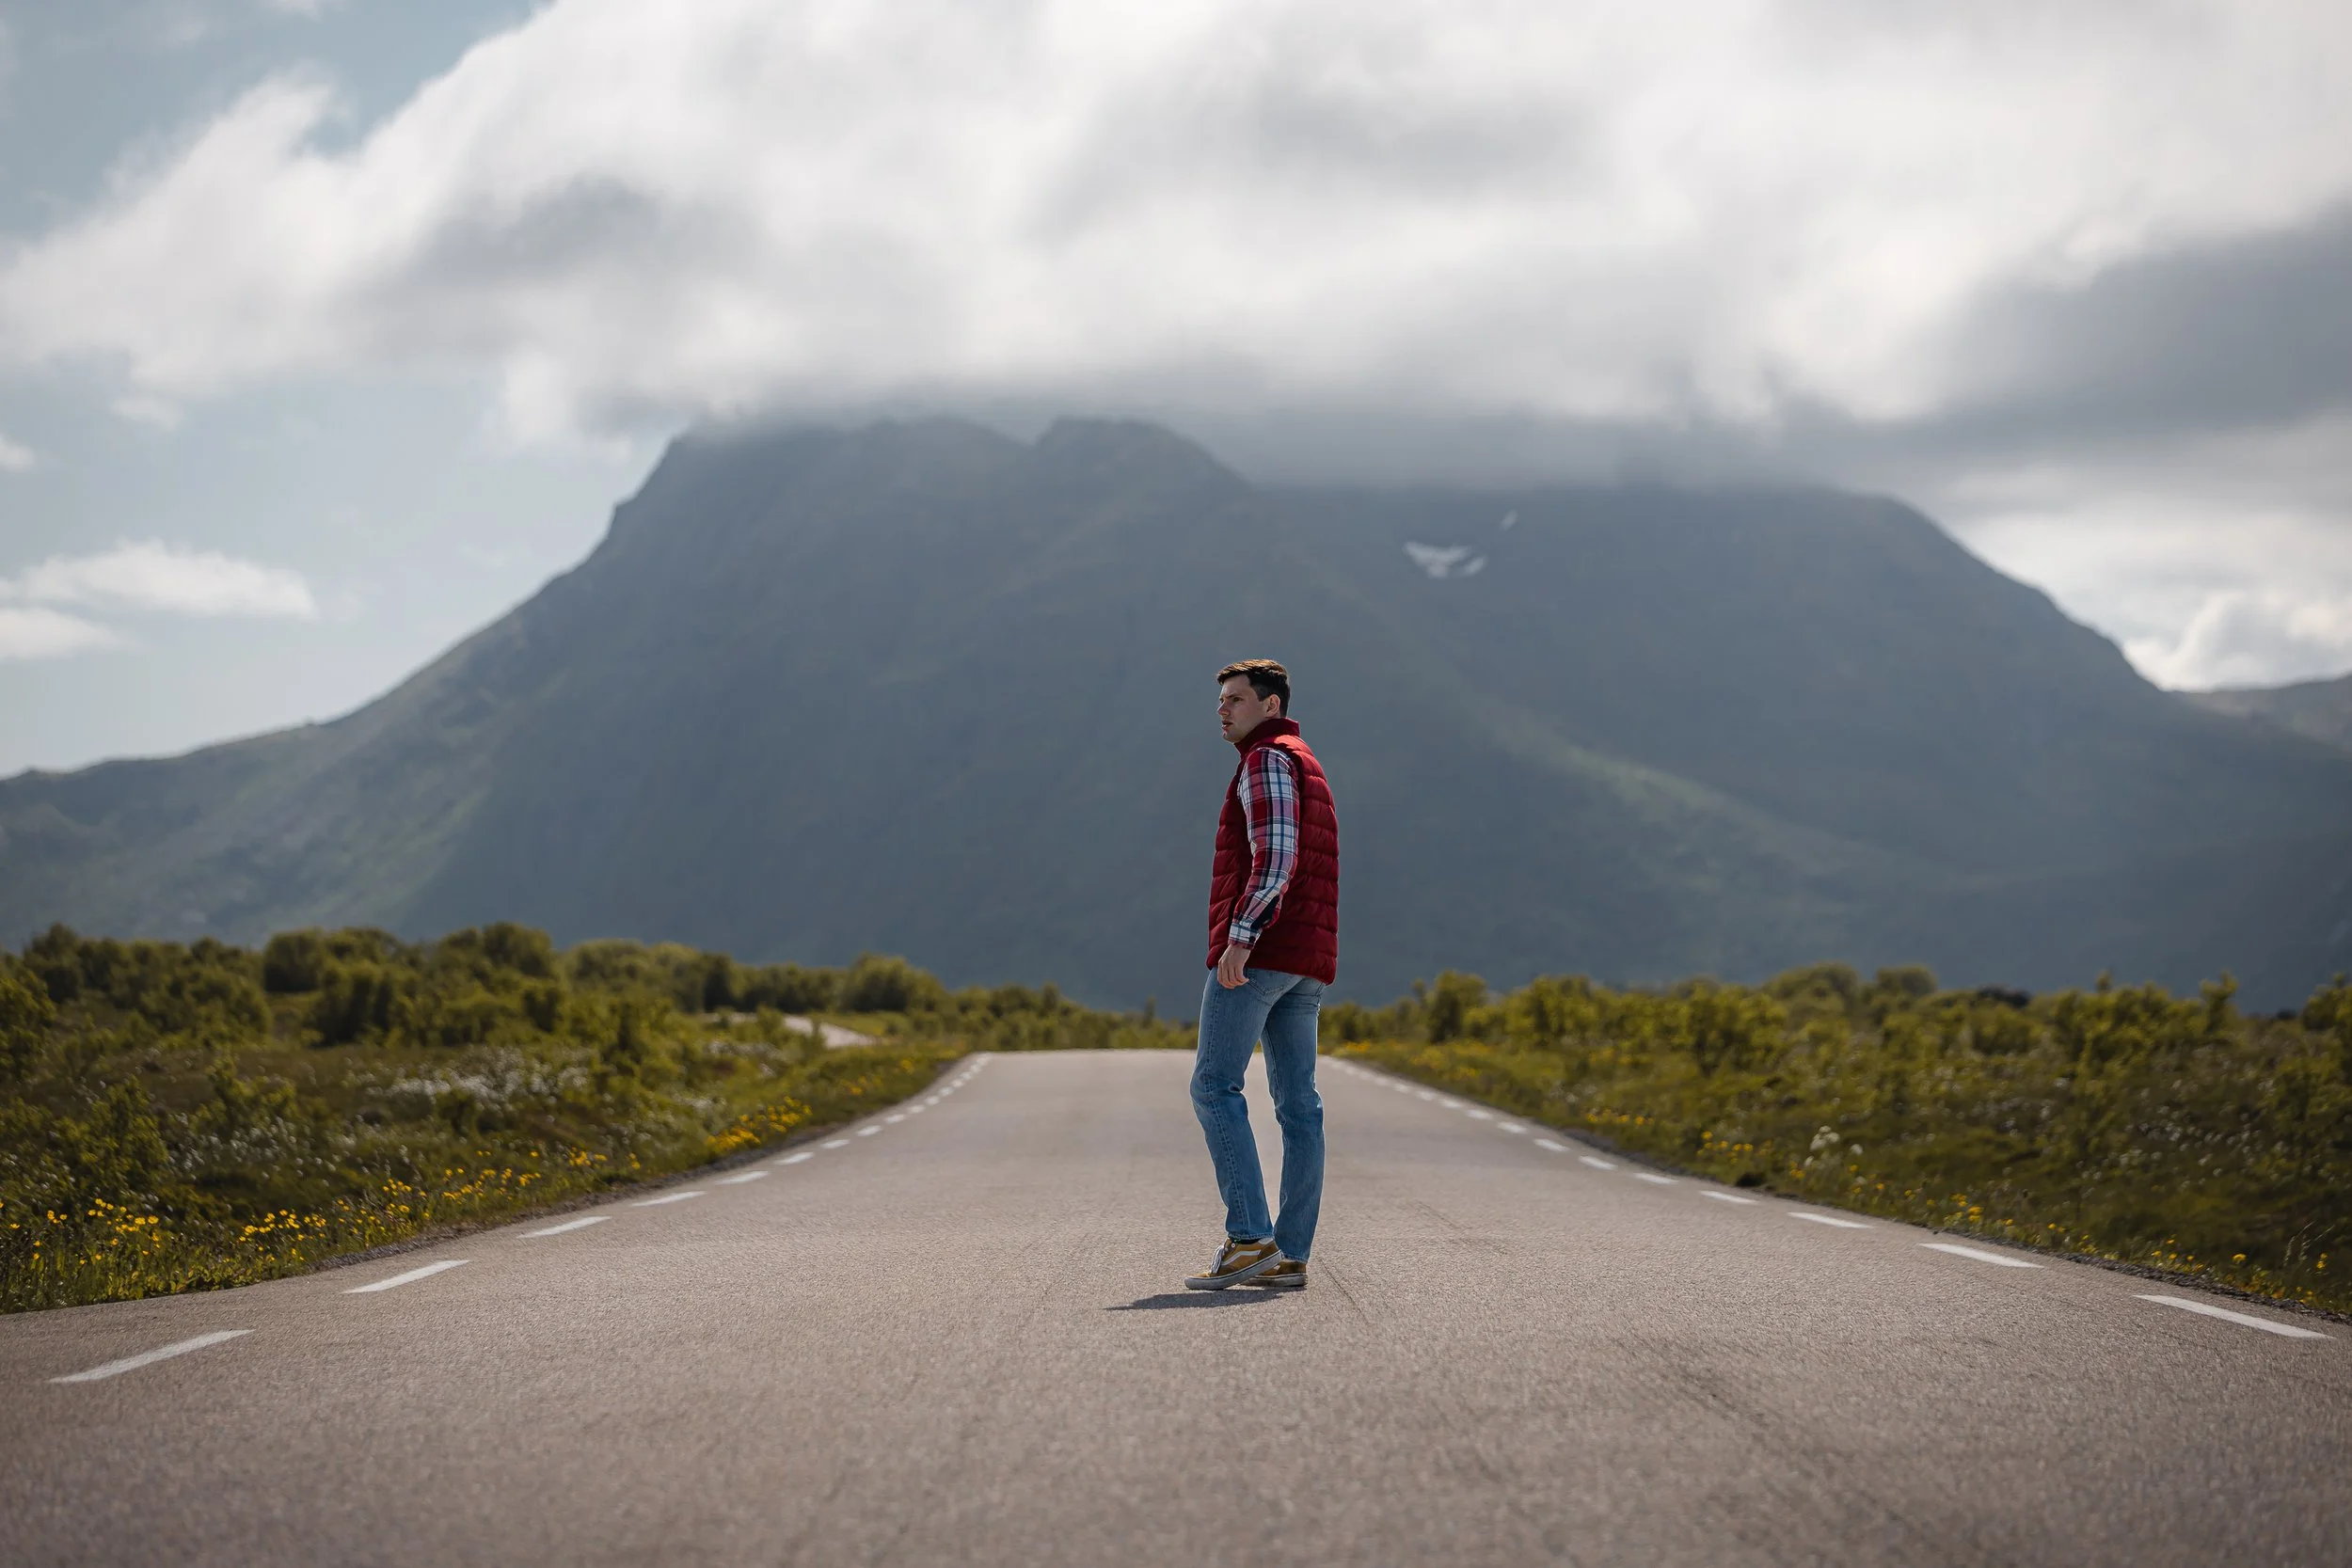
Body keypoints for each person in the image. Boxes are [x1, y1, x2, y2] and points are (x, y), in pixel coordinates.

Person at [1184, 658, 1341, 1291]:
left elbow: (1276, 860)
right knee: (1299, 1104)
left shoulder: (1267, 760)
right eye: (1221, 699)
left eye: (1237, 699)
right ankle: (1291, 1253)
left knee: (1214, 1084)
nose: (1223, 709)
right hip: (1307, 957)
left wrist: (1240, 938)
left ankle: (1250, 1237)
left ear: (1271, 706)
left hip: (1265, 951)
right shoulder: (1304, 760)